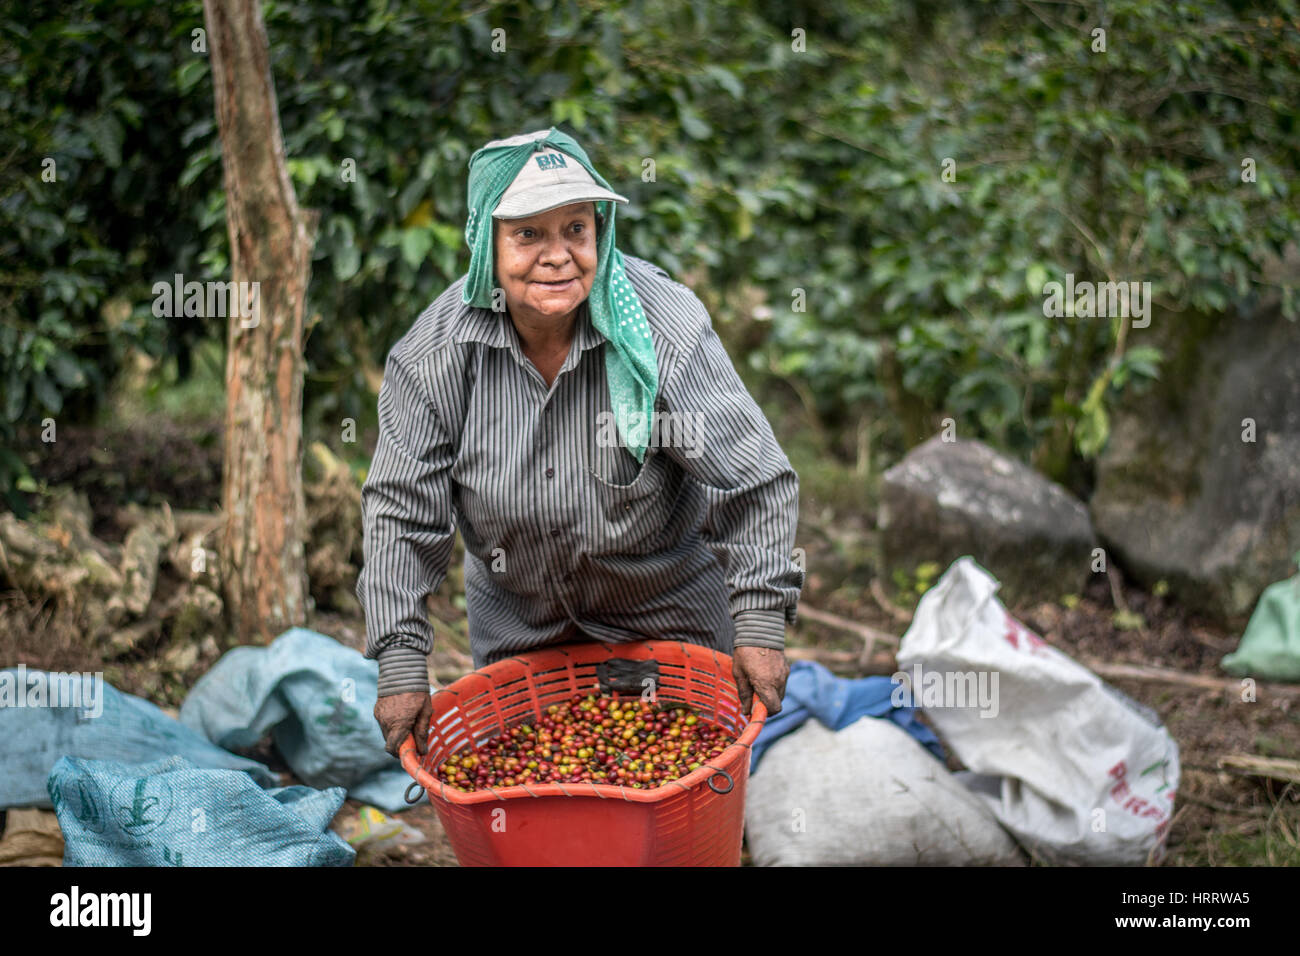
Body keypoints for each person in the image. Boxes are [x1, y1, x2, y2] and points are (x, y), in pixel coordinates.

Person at [358, 127, 804, 757]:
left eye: (576, 228)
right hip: (521, 630)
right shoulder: (434, 357)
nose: (558, 254)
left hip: (666, 620)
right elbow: (402, 516)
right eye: (528, 234)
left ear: (601, 233)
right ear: (485, 241)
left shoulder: (661, 328)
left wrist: (759, 622)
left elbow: (754, 478)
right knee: (542, 802)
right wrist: (401, 662)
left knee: (667, 796)